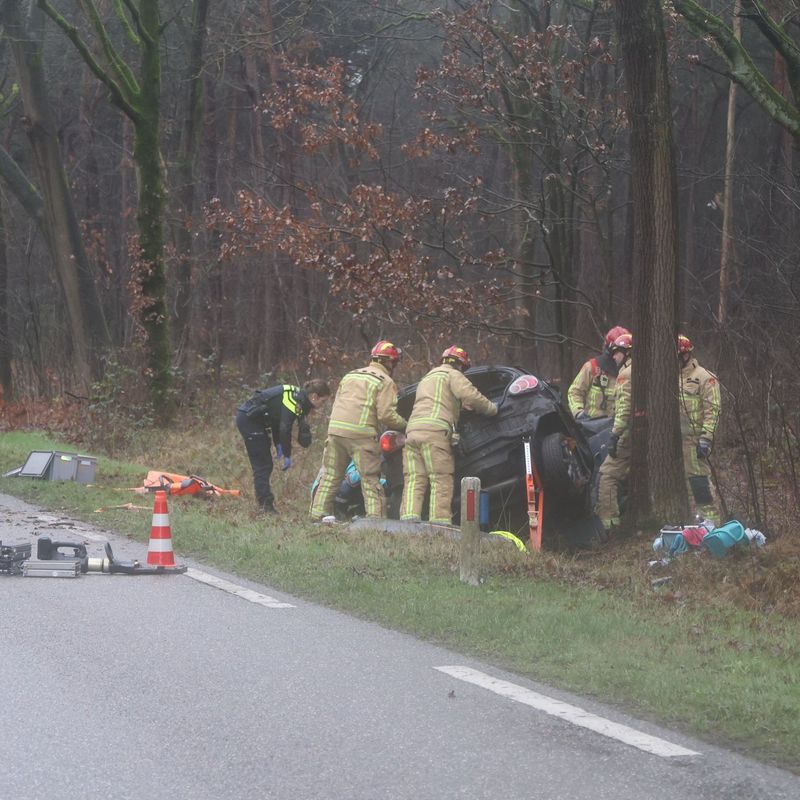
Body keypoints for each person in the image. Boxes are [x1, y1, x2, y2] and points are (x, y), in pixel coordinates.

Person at [400, 346, 498, 524]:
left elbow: (438, 402)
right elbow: (471, 396)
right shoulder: (453, 375)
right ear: (460, 365)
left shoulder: (427, 378)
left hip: (412, 432)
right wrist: (492, 408)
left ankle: (408, 520)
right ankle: (440, 523)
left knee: (414, 478)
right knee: (440, 477)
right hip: (435, 432)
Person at [310, 341, 407, 520]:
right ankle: (375, 520)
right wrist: (406, 425)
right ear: (389, 362)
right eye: (394, 362)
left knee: (331, 475)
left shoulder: (350, 375)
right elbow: (387, 415)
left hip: (335, 432)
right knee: (370, 479)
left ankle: (317, 515)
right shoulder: (385, 381)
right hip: (360, 436)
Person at [236, 379, 331, 514]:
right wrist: (287, 454)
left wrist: (278, 443)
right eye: (323, 401)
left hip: (256, 420)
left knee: (265, 463)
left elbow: (275, 417)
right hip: (248, 420)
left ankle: (265, 504)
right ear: (314, 396)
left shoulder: (299, 398)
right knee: (263, 465)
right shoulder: (293, 401)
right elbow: (284, 428)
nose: (322, 405)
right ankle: (265, 507)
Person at [677, 334, 722, 524]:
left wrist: (706, 438)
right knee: (679, 487)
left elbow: (713, 410)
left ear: (685, 355)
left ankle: (712, 523)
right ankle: (687, 524)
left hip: (694, 441)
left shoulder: (705, 377)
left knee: (699, 482)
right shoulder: (665, 378)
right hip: (672, 442)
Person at [595, 333, 634, 531]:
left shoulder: (626, 374)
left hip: (626, 437)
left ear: (626, 353)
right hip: (638, 435)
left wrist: (615, 434)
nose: (615, 358)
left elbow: (625, 408)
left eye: (617, 353)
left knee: (606, 475)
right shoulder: (640, 370)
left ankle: (610, 526)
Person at [568, 325, 631, 420]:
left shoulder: (630, 371)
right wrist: (578, 412)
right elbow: (574, 391)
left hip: (618, 426)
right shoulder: (592, 367)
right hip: (592, 426)